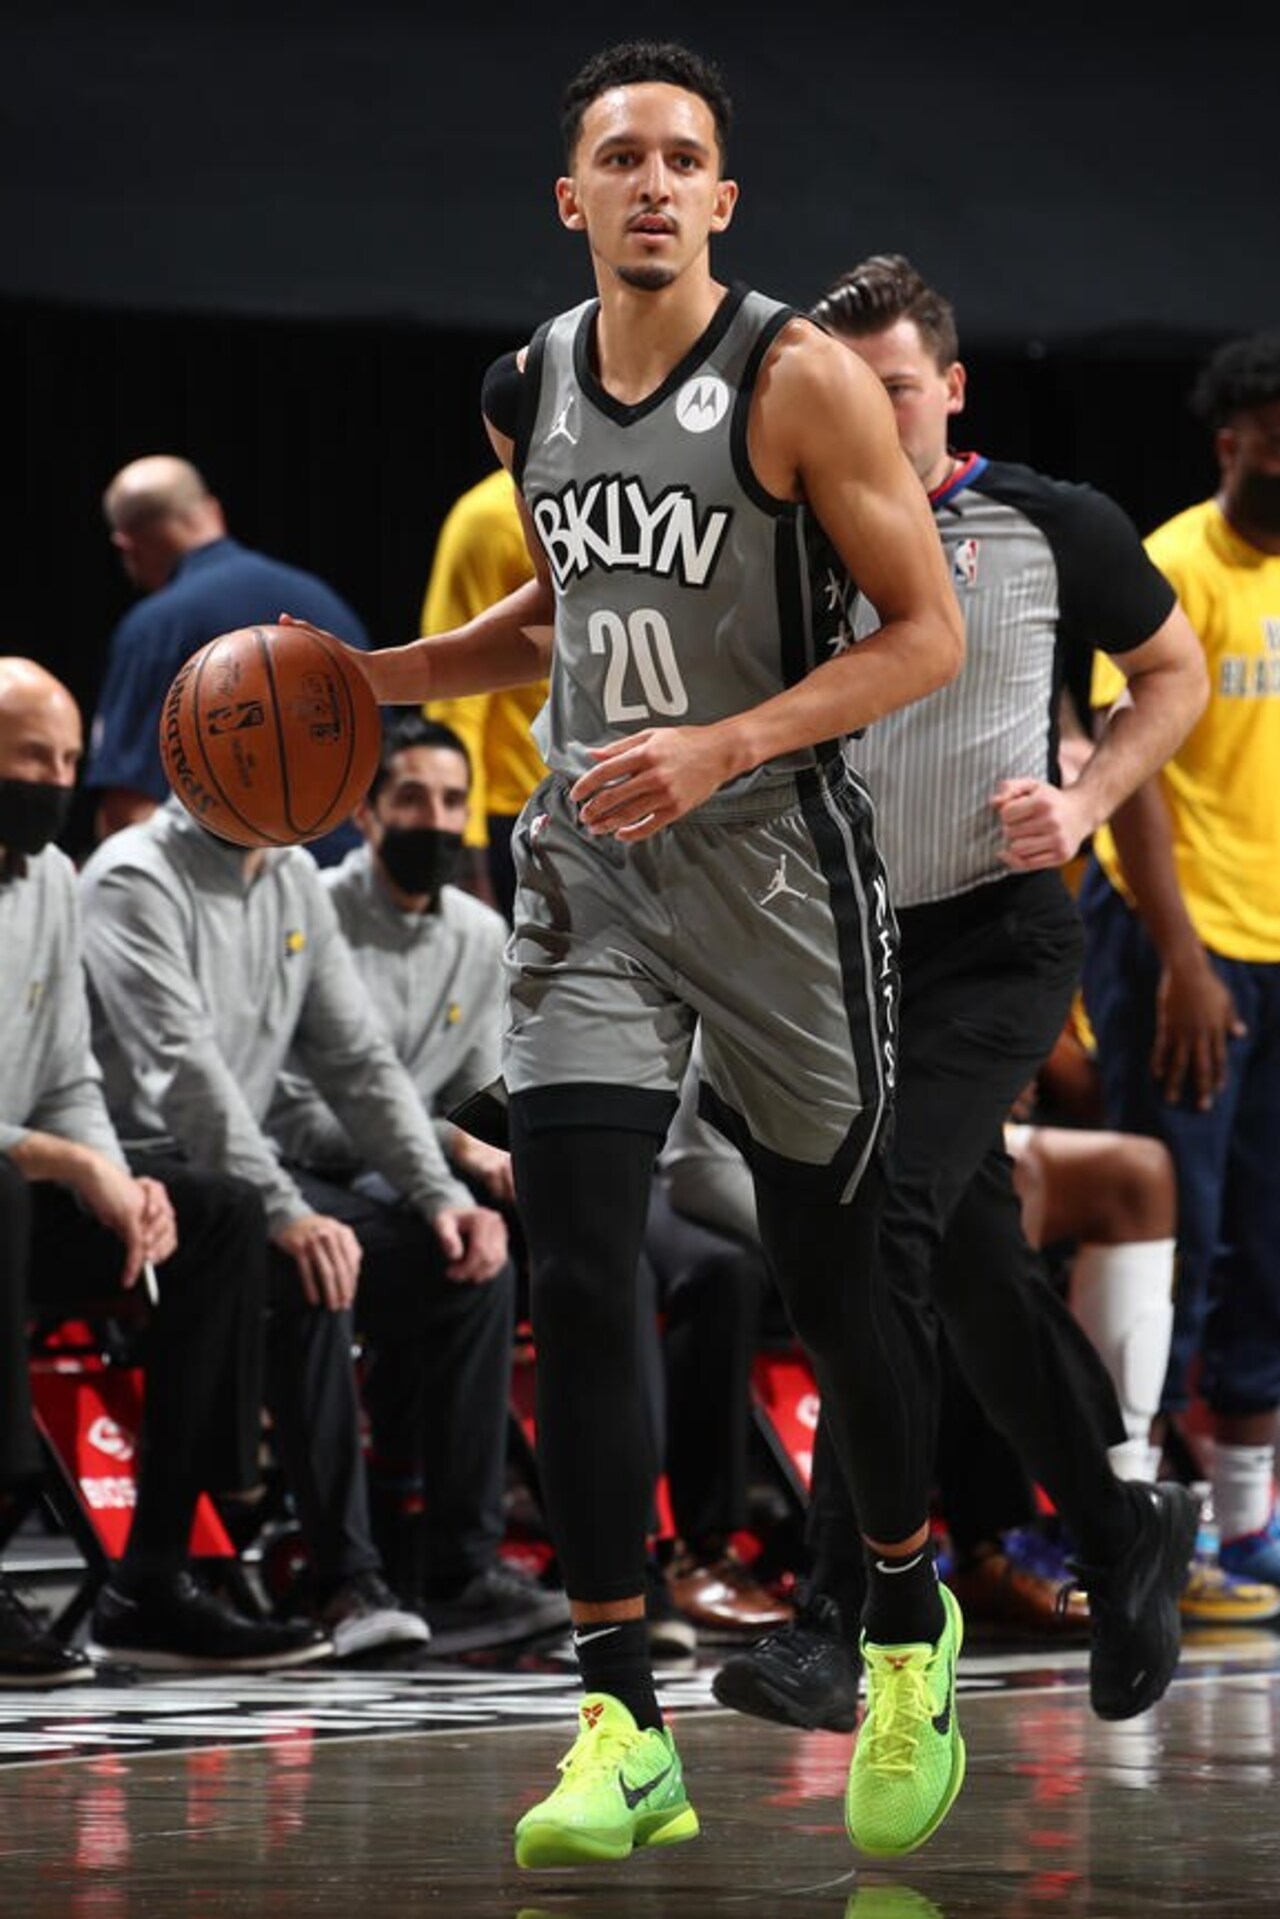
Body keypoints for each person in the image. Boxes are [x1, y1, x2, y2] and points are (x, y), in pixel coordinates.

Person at [290, 38, 973, 1866]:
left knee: (842, 1282)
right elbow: (569, 612)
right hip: (596, 874)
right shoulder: (528, 393)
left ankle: (905, 1614)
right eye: (623, 157)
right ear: (572, 197)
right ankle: (618, 1710)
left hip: (772, 873)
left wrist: (736, 742)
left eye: (686, 158)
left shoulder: (801, 380)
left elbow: (929, 636)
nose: (655, 182)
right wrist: (377, 680)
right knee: (581, 1261)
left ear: (724, 200)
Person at [713, 252, 1208, 1734]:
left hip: (997, 938)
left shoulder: (1051, 522)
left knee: (873, 1228)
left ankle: (845, 1614)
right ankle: (1126, 1533)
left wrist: (1091, 794)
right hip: (840, 951)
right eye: (844, 390)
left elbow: (1171, 672)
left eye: (897, 389)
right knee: (980, 1278)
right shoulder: (788, 537)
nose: (871, 411)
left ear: (952, 390)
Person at [77, 790, 513, 1661]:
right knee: (312, 1255)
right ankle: (339, 1578)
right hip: (134, 1168)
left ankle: (457, 1569)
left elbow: (358, 1062)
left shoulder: (289, 880)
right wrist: (291, 1210)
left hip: (239, 1176)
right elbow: (183, 1073)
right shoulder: (133, 875)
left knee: (464, 1257)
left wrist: (440, 1196)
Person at [0, 657, 330, 1680]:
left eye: (68, 759)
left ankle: (155, 1579)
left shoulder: (52, 875)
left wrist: (113, 1174)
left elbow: (62, 1073)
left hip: (24, 1189)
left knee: (218, 1211)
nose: (55, 777)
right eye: (30, 757)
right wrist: (72, 1162)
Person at [266, 709, 570, 1651]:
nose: (436, 820)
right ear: (363, 811)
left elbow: (475, 1097)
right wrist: (446, 1154)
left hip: (404, 1179)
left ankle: (461, 1566)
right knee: (335, 1255)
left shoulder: (482, 934)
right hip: (297, 1170)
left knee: (481, 1262)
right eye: (411, 798)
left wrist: (460, 1162)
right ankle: (343, 1578)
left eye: (453, 800)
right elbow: (293, 1104)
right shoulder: (310, 909)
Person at [1080, 329, 1280, 1586]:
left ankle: (1247, 1521)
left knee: (1265, 1235)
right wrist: (1179, 958)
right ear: (1232, 442)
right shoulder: (1170, 563)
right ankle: (1129, 1515)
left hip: (1271, 945)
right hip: (1181, 946)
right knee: (1179, 1231)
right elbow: (1129, 768)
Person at [86, 454, 369, 865]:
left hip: (221, 899)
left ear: (125, 546)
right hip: (342, 885)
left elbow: (127, 811)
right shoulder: (328, 606)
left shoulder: (155, 627)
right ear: (212, 509)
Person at [419, 467, 547, 920]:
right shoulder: (488, 518)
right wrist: (463, 845)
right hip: (515, 817)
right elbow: (456, 698)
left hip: (624, 801)